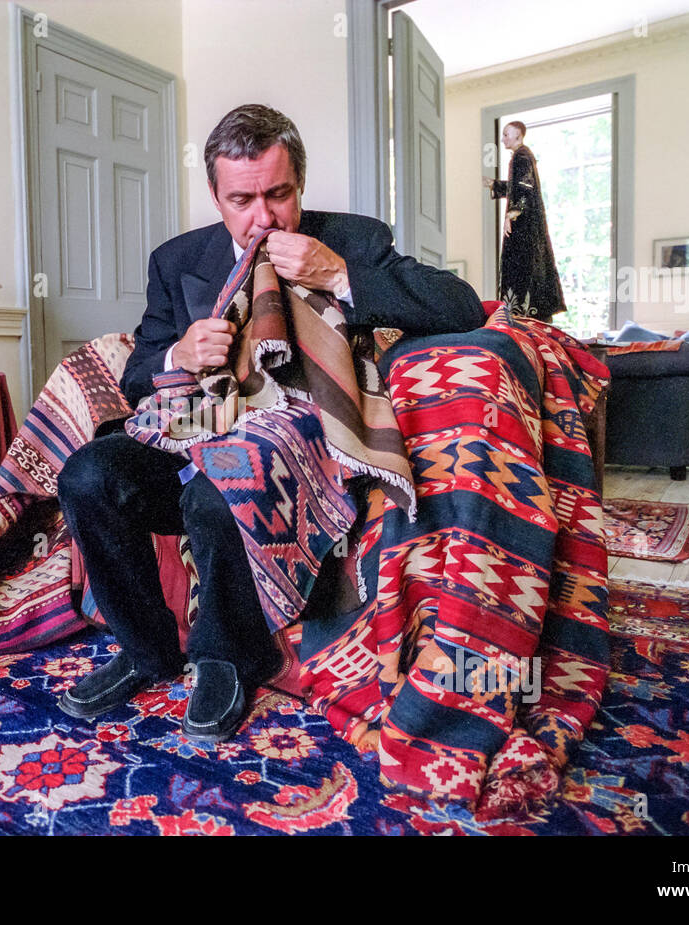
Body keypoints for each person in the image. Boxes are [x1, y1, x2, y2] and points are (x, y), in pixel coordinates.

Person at [55, 104, 484, 743]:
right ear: (215, 195)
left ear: (300, 184)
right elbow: (140, 372)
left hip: (301, 437)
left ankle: (230, 655)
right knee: (88, 475)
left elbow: (462, 305)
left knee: (222, 481)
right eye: (242, 199)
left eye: (278, 194)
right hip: (191, 424)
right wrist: (179, 353)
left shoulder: (353, 238)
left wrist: (337, 274)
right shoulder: (176, 261)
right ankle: (146, 650)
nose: (262, 217)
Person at [482, 121, 565, 320]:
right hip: (529, 226)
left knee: (520, 267)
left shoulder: (521, 157)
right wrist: (495, 185)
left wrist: (512, 214)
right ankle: (523, 313)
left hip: (524, 228)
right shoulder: (524, 156)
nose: (503, 139)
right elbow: (519, 186)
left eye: (506, 135)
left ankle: (520, 315)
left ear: (518, 136)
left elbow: (524, 188)